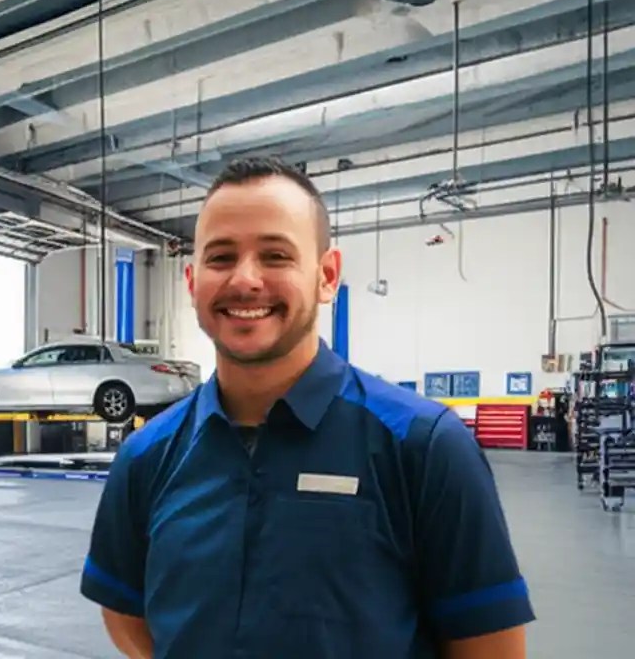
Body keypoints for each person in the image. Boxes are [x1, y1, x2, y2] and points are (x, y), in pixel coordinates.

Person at [79, 157, 534, 658]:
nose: (245, 280)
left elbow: (490, 645)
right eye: (221, 257)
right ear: (191, 281)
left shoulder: (424, 445)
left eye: (275, 255)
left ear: (327, 276)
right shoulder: (147, 456)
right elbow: (124, 610)